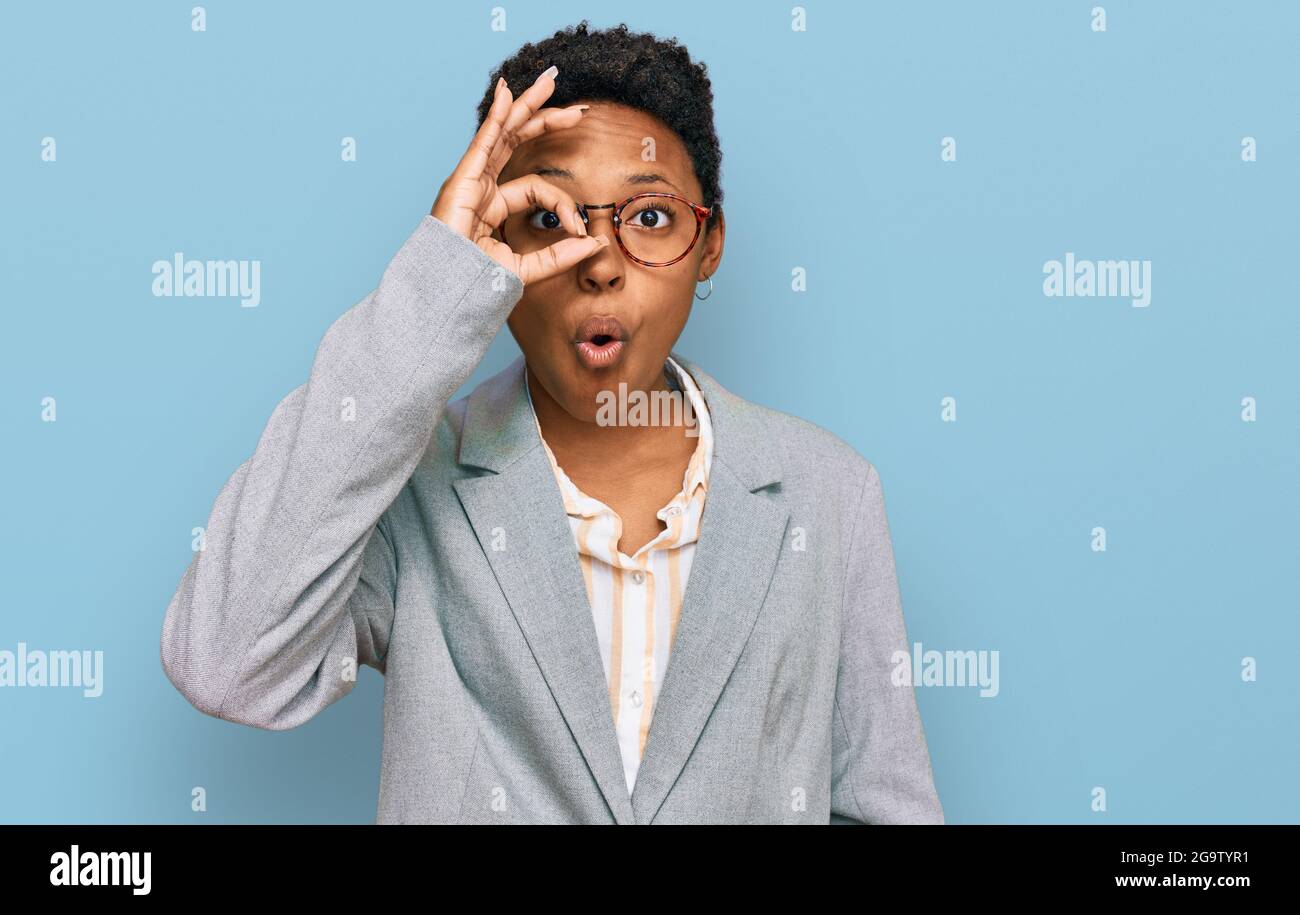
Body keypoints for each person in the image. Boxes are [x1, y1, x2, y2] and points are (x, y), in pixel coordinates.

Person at [160, 21, 943, 825]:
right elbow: (225, 663)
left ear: (708, 245)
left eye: (649, 217)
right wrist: (439, 281)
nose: (599, 261)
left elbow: (885, 807)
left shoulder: (829, 494)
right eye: (548, 216)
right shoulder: (409, 487)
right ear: (493, 241)